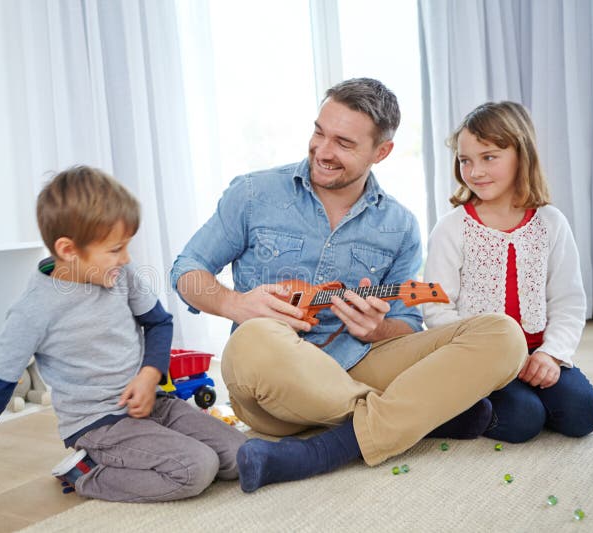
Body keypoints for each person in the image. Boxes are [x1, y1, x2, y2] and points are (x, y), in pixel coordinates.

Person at [171, 78, 527, 493]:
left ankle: (330, 447)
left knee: (503, 334)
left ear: (382, 152)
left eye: (343, 142)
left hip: (359, 361)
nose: (322, 151)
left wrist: (378, 330)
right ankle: (426, 413)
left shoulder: (399, 224)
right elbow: (186, 269)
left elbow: (408, 324)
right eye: (319, 132)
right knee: (253, 340)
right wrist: (236, 305)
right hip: (272, 373)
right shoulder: (253, 193)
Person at [0, 165, 246, 504]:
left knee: (239, 455)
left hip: (152, 403)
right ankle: (84, 473)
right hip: (98, 425)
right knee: (196, 469)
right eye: (116, 249)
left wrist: (150, 375)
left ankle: (154, 447)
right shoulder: (33, 310)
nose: (127, 257)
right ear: (69, 250)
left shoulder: (121, 273)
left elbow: (159, 322)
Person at [423, 101, 593, 443]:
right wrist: (500, 358)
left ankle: (528, 396)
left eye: (488, 157)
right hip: (483, 358)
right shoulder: (452, 228)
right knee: (524, 421)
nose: (474, 171)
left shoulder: (550, 222)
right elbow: (436, 310)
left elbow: (568, 301)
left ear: (522, 154)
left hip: (538, 352)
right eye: (465, 160)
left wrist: (551, 355)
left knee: (586, 415)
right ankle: (463, 409)